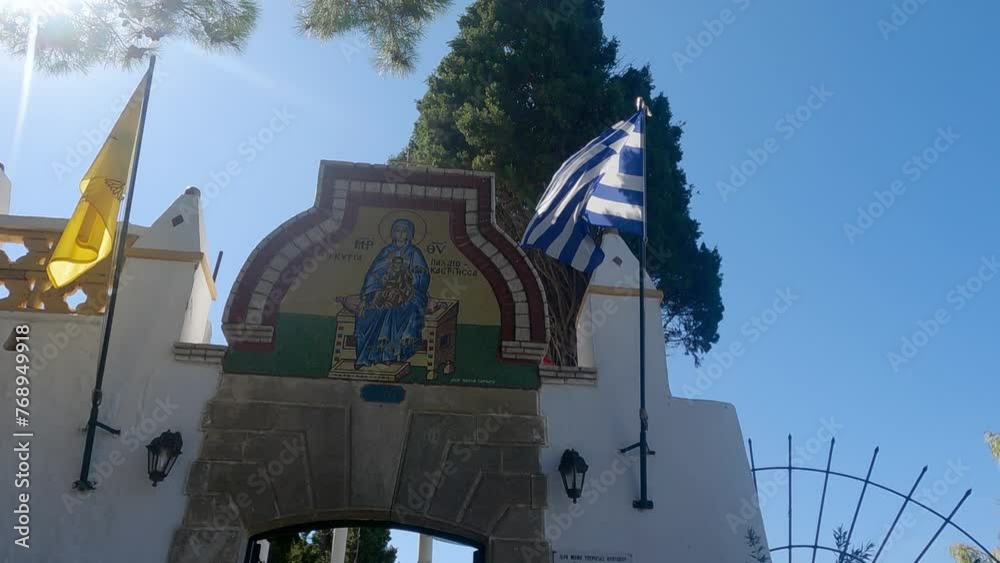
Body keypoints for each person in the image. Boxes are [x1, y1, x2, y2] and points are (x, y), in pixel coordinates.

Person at [355, 218, 430, 368]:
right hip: (385, 292)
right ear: (392, 233)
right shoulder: (386, 252)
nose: (400, 234)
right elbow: (373, 275)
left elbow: (423, 277)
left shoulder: (414, 253)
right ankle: (368, 356)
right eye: (397, 230)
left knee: (398, 309)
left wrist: (411, 277)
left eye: (404, 231)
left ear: (409, 235)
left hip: (408, 293)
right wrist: (369, 293)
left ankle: (392, 353)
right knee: (370, 312)